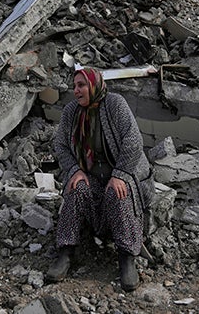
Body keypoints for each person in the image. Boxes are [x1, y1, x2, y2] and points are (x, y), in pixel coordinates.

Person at [46, 67, 154, 291]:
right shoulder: (71, 111)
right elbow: (61, 145)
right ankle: (65, 252)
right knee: (76, 189)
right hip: (92, 175)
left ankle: (127, 257)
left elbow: (133, 141)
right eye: (74, 86)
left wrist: (120, 174)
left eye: (81, 85)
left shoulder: (115, 104)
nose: (76, 91)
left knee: (118, 193)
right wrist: (75, 170)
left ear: (94, 85)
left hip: (124, 172)